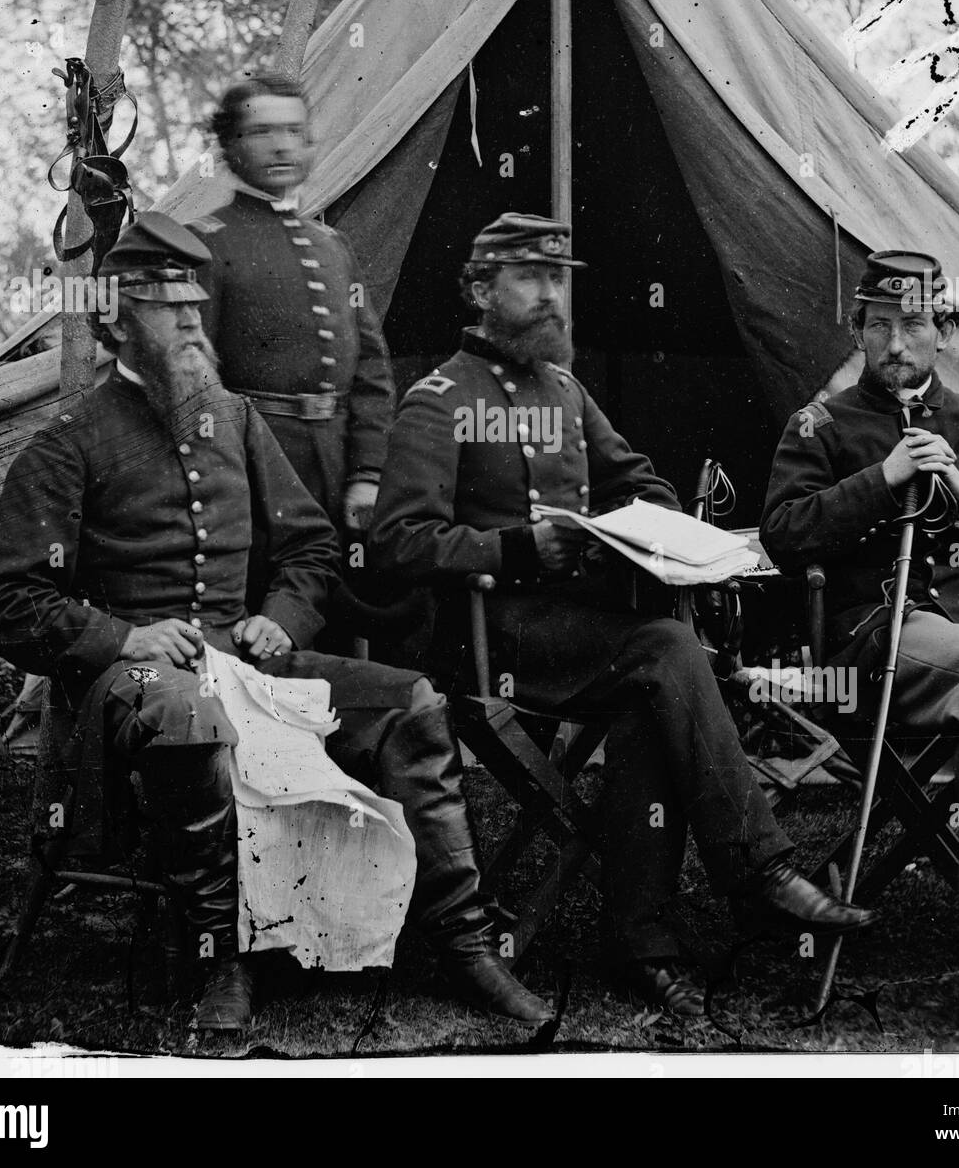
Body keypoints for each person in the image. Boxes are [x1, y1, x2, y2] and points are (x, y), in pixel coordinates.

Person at [0, 214, 552, 1033]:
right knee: (182, 710)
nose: (189, 325)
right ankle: (223, 959)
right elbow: (1, 598)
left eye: (193, 309)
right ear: (117, 321)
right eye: (169, 311)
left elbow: (311, 546)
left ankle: (465, 945)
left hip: (247, 663)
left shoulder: (236, 421)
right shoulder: (69, 443)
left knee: (413, 703)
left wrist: (280, 617)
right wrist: (121, 638)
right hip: (128, 682)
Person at [367, 212, 876, 1019]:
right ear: (478, 289)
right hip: (491, 635)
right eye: (530, 278)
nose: (550, 296)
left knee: (652, 698)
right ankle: (758, 870)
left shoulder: (565, 390)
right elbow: (397, 542)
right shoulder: (439, 399)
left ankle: (642, 946)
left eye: (558, 278)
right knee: (669, 652)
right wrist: (522, 549)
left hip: (584, 636)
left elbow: (641, 482)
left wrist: (652, 535)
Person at [759, 250, 959, 1051]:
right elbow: (783, 533)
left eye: (912, 325)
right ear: (858, 333)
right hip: (875, 647)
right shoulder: (821, 425)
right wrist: (884, 476)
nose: (895, 342)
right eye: (877, 326)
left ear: (944, 330)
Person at [189, 72, 394, 539]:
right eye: (262, 132)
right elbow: (195, 383)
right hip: (256, 466)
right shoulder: (204, 243)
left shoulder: (332, 245)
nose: (282, 147)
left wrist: (368, 473)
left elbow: (370, 370)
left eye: (294, 132)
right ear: (228, 147)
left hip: (341, 463)